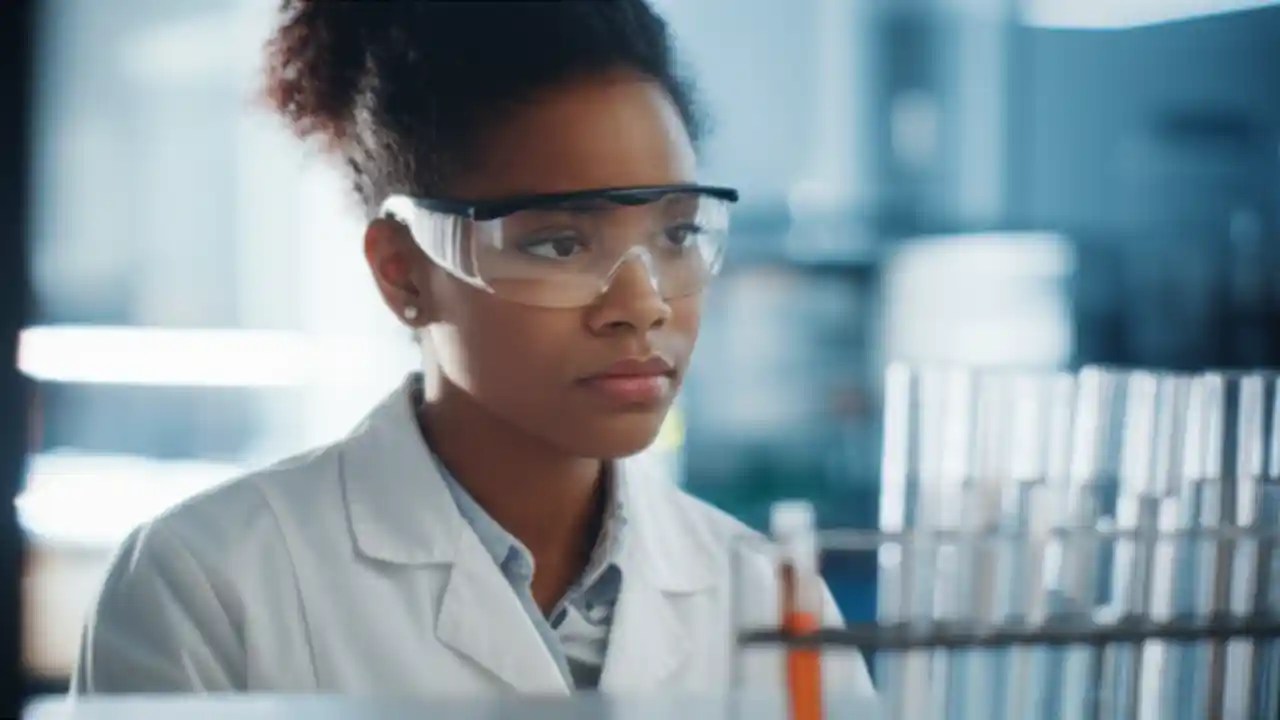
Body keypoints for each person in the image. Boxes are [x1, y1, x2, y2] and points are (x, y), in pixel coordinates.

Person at [73, 0, 876, 700]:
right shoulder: (207, 585)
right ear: (403, 272)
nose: (643, 305)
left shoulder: (766, 594)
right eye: (561, 244)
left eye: (676, 235)